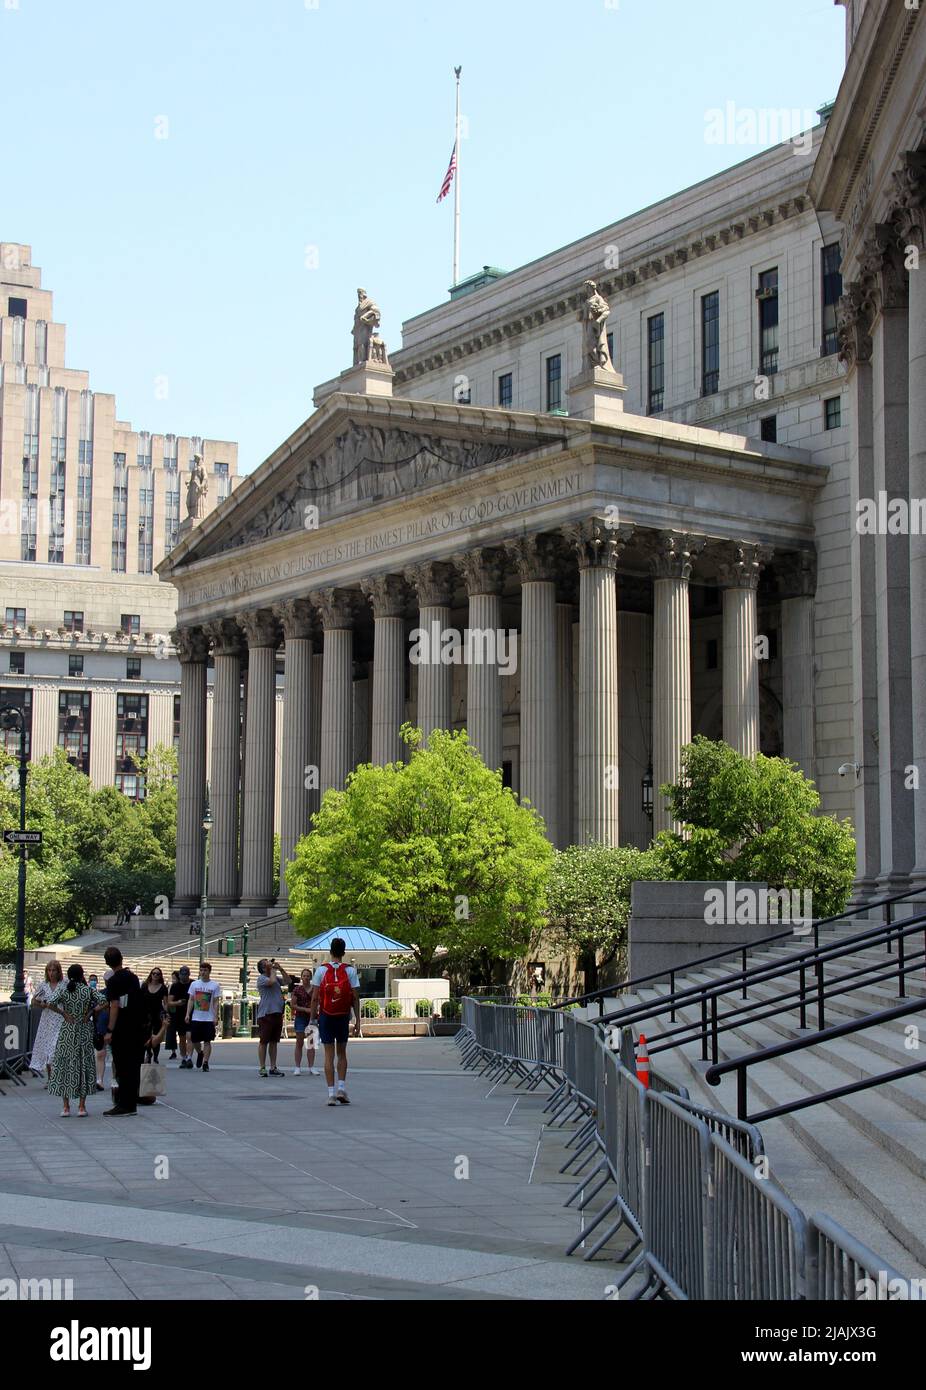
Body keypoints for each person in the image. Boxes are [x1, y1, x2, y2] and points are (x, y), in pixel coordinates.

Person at [46, 964, 104, 1118]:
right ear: (81, 975)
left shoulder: (64, 989)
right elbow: (104, 1001)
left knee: (65, 1064)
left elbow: (50, 1002)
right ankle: (81, 1106)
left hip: (68, 1029)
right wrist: (91, 1012)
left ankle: (65, 1107)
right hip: (84, 1029)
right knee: (83, 1064)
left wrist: (63, 1013)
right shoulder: (88, 990)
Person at [310, 939, 360, 1106]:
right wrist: (358, 1020)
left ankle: (331, 1094)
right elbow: (355, 997)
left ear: (330, 952)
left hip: (326, 1016)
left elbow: (315, 997)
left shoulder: (321, 970)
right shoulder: (350, 971)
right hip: (342, 1016)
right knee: (342, 1054)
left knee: (328, 1055)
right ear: (344, 952)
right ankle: (341, 1088)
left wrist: (312, 1018)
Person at [102, 945, 146, 1116]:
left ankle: (124, 1104)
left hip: (121, 1028)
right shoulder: (133, 977)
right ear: (121, 959)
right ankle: (131, 1102)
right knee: (133, 1065)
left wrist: (110, 1030)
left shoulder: (113, 981)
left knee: (122, 1066)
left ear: (107, 962)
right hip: (135, 1026)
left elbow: (114, 1005)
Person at [29, 960, 65, 1083]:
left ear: (58, 971)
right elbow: (33, 1001)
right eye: (49, 970)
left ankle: (59, 1077)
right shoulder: (43, 985)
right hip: (47, 1021)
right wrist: (41, 1005)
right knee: (48, 1049)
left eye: (54, 970)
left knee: (56, 1048)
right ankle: (50, 1079)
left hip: (60, 1019)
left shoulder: (64, 984)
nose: (51, 973)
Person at [256, 958, 291, 1078]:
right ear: (262, 968)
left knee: (274, 1042)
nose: (269, 963)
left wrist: (280, 969)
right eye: (266, 963)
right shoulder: (262, 978)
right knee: (264, 1041)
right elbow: (271, 982)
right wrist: (273, 970)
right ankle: (262, 1067)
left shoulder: (274, 976)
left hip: (277, 1013)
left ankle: (273, 1066)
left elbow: (288, 981)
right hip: (266, 1014)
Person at [185, 962, 221, 1072]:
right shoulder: (194, 984)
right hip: (196, 1017)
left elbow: (215, 1002)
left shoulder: (214, 985)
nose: (203, 972)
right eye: (201, 970)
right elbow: (191, 999)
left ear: (209, 971)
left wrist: (215, 1016)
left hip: (208, 1018)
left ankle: (205, 1062)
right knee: (194, 1039)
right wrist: (187, 1014)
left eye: (205, 970)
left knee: (207, 1041)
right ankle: (200, 1053)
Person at [290, 968, 320, 1076]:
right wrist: (305, 1009)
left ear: (310, 977)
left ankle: (311, 1067)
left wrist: (315, 1010)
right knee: (299, 1042)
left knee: (311, 1043)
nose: (306, 977)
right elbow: (293, 1005)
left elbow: (319, 1002)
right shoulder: (297, 990)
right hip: (300, 1018)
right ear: (301, 977)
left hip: (312, 1018)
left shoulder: (315, 989)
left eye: (308, 976)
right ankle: (297, 1067)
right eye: (304, 976)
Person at [141, 968, 168, 1064]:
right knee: (146, 1035)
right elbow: (140, 1000)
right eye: (154, 973)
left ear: (160, 976)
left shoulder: (163, 987)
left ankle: (155, 1056)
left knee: (157, 1035)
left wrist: (166, 1013)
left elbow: (165, 1003)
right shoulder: (145, 986)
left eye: (158, 974)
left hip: (158, 1013)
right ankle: (148, 1053)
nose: (155, 975)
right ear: (151, 974)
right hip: (146, 1014)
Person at [169, 966, 194, 1068]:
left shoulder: (193, 984)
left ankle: (189, 1057)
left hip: (192, 1014)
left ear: (189, 974)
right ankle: (184, 1057)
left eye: (186, 974)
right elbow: (169, 1002)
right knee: (182, 1037)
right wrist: (178, 1002)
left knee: (190, 1036)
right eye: (182, 974)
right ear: (179, 975)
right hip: (179, 1015)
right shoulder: (175, 986)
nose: (184, 977)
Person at [88, 972, 109, 1091]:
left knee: (104, 1054)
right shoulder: (95, 993)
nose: (93, 982)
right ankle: (98, 1080)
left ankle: (108, 1080)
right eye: (91, 980)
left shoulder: (102, 994)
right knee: (99, 1053)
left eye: (94, 980)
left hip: (106, 1026)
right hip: (98, 1026)